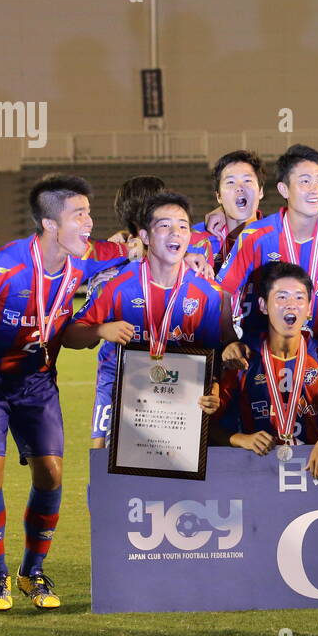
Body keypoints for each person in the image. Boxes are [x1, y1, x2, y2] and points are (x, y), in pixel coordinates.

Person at [0, 175, 126, 613]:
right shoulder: (3, 263)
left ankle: (32, 572)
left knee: (50, 473)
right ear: (50, 224)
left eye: (89, 212)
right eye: (79, 215)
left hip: (38, 381)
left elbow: (138, 248)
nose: (89, 222)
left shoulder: (86, 257)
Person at [64, 191, 224, 447]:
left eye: (183, 226)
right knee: (103, 467)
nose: (176, 232)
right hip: (122, 391)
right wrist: (102, 330)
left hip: (177, 400)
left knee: (173, 481)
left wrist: (213, 389)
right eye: (164, 226)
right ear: (145, 236)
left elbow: (215, 354)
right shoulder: (117, 285)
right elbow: (69, 335)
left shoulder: (207, 294)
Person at [215, 263, 318, 479]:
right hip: (255, 474)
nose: (291, 305)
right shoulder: (243, 357)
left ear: (310, 308)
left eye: (299, 298)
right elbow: (208, 425)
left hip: (312, 475)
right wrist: (242, 440)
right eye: (282, 297)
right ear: (263, 305)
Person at [217, 145, 318, 349]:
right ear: (284, 189)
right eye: (305, 181)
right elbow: (221, 292)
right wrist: (231, 340)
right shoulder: (256, 236)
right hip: (262, 353)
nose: (315, 189)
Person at [197, 151, 265, 266]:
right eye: (230, 182)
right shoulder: (197, 238)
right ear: (218, 196)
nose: (239, 188)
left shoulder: (278, 237)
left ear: (261, 191)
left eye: (247, 180)